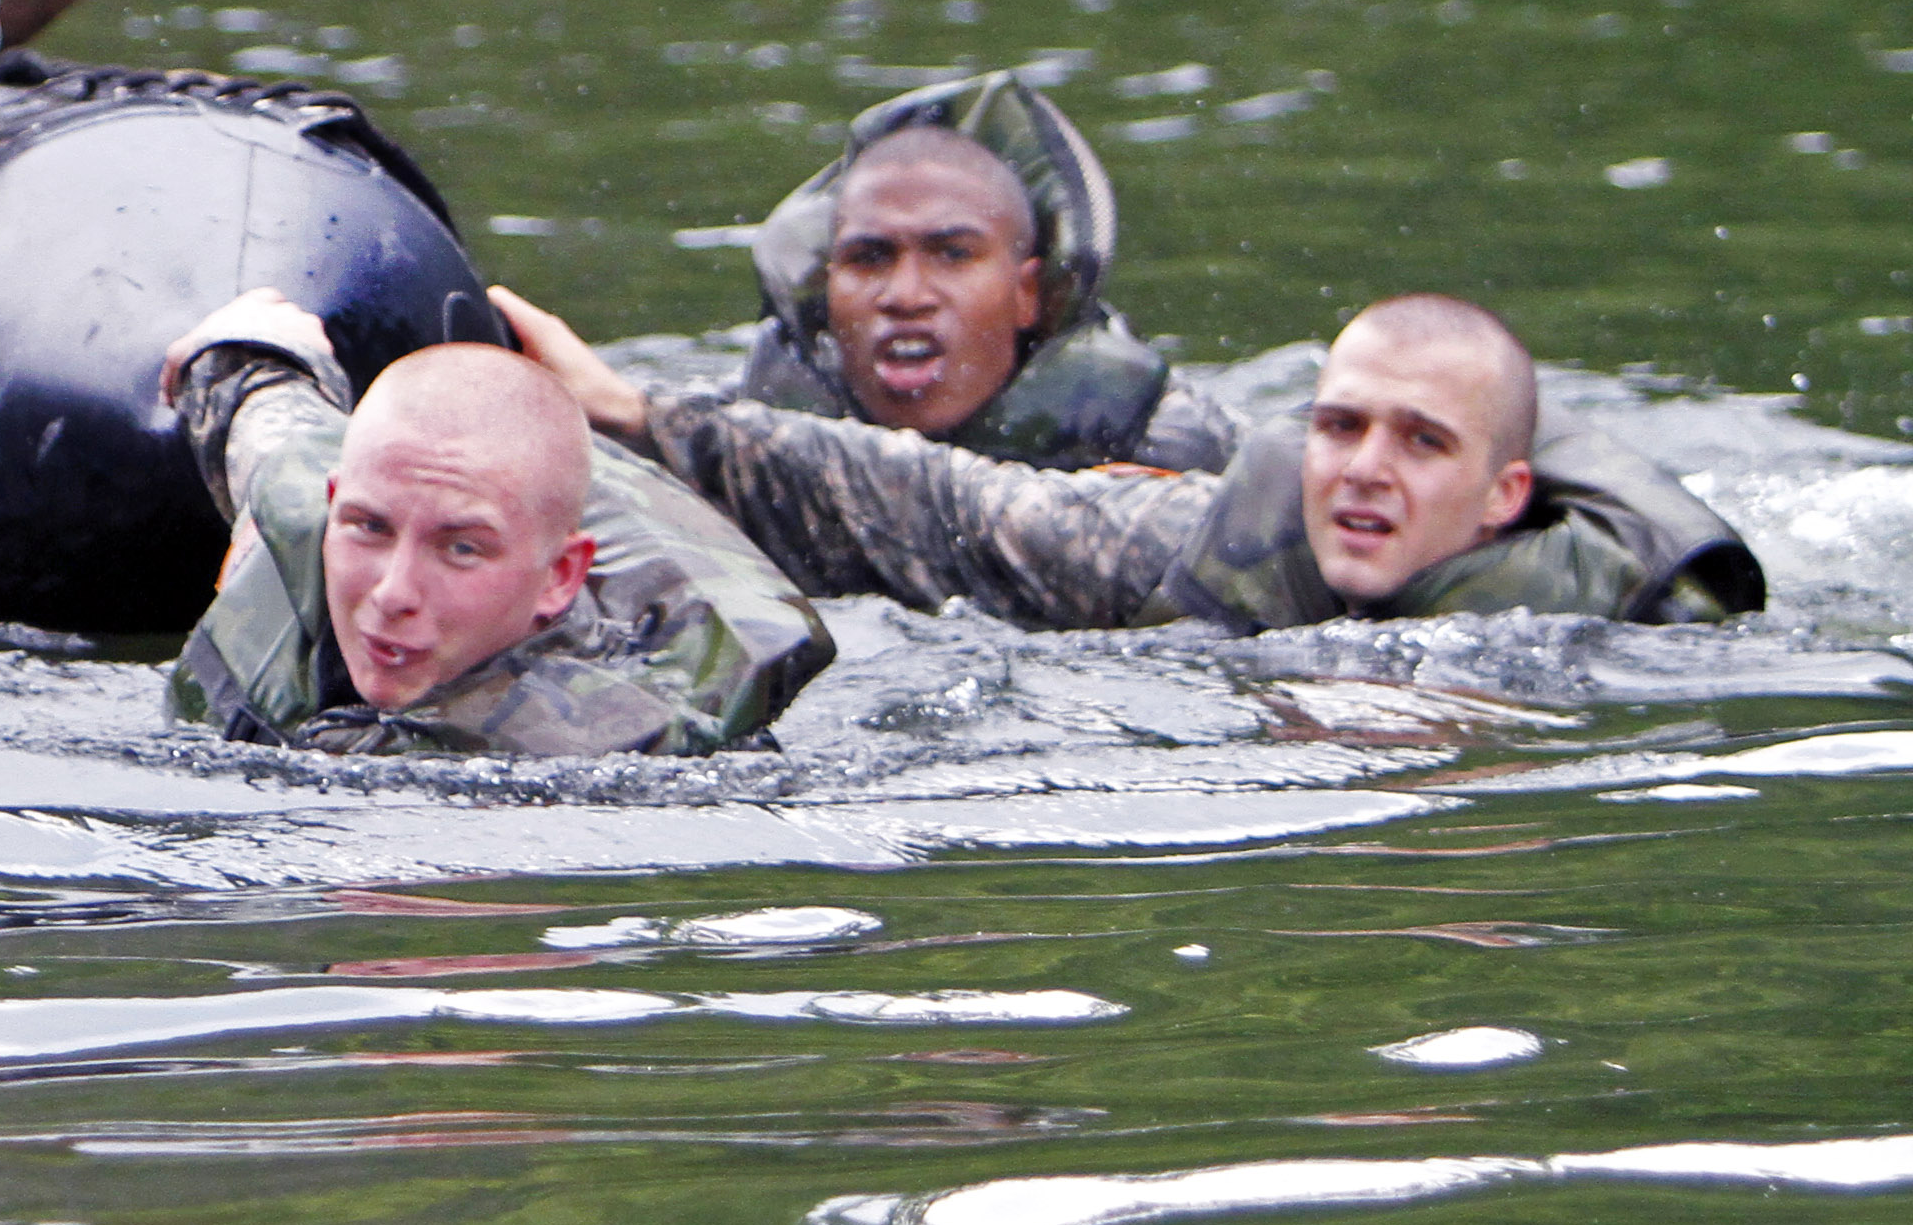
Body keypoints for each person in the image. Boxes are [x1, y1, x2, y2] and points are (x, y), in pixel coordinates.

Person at [504, 284, 1763, 633]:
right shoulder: (1213, 535)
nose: (1363, 469)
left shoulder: (1631, 620)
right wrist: (639, 415)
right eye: (1336, 427)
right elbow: (946, 503)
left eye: (1420, 442)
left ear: (1504, 497)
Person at [157, 295, 831, 756]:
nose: (393, 592)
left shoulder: (610, 751)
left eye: (459, 549)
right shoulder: (316, 511)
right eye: (368, 527)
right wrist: (243, 351)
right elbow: (278, 436)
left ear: (558, 579)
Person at [723, 72, 1237, 470]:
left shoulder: (1175, 450)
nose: (905, 295)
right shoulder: (737, 439)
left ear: (1027, 293)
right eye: (870, 258)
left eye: (953, 255)